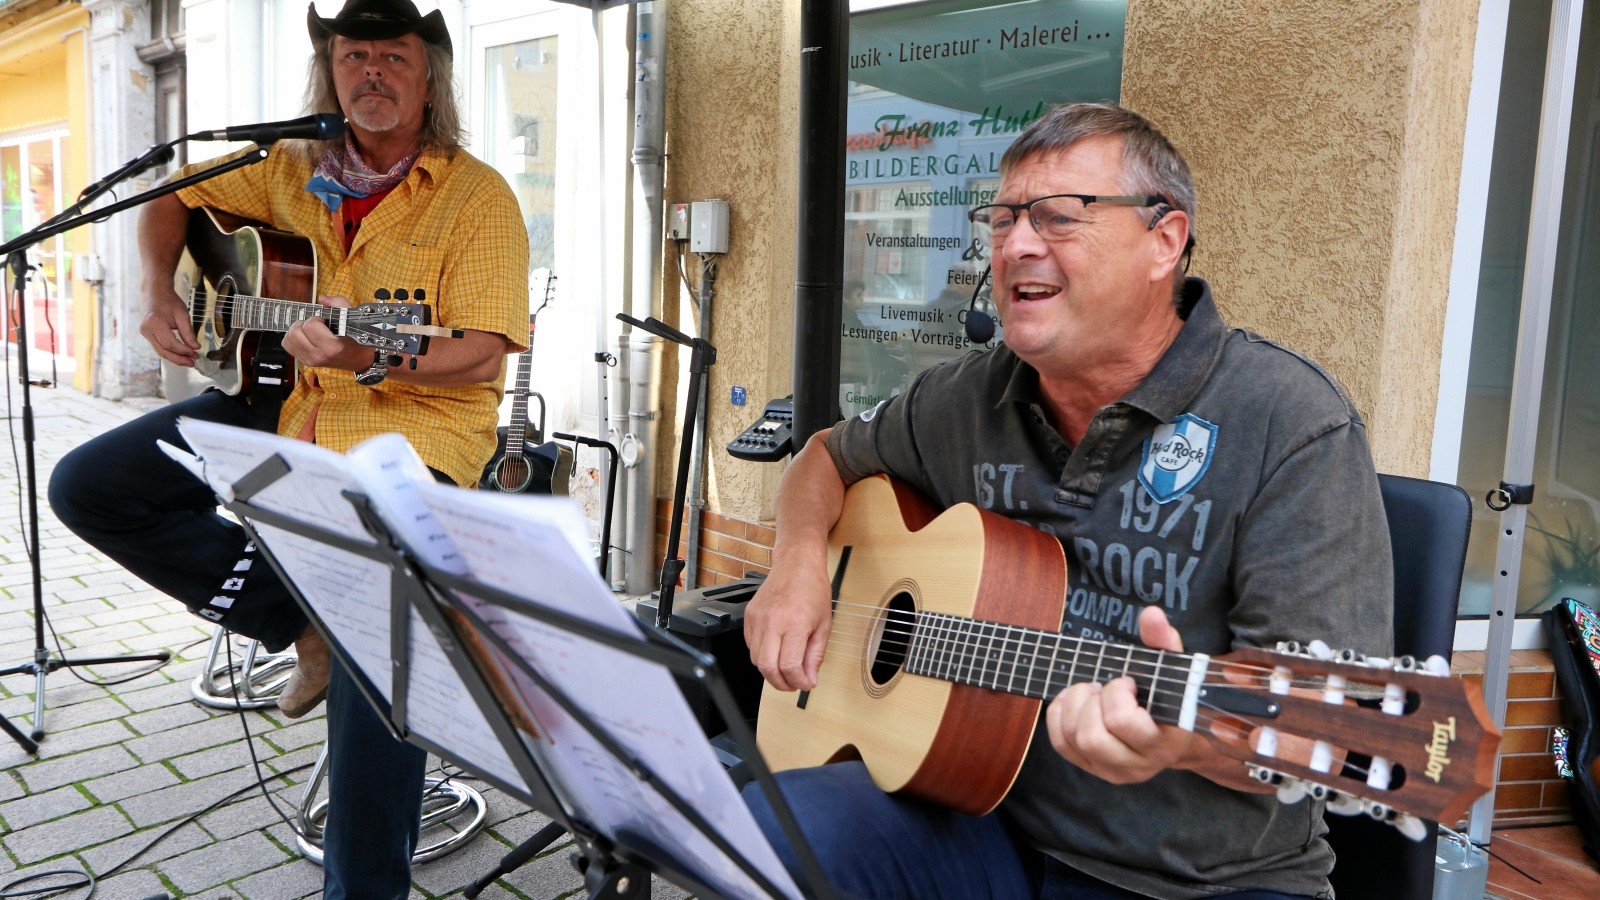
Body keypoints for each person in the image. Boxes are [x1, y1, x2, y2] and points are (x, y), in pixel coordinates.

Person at [743, 102, 1394, 899]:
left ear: (1165, 241)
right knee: (766, 832)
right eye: (1004, 217)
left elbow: (1337, 724)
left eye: (1059, 216)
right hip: (985, 824)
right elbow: (821, 457)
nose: (1017, 244)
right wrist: (799, 562)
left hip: (1205, 881)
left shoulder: (1291, 424)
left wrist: (1179, 742)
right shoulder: (964, 397)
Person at [48, 1, 528, 896]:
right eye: (355, 56)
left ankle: (364, 883)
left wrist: (366, 351)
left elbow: (483, 348)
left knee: (378, 627)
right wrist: (158, 291)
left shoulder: (477, 196)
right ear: (331, 71)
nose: (371, 73)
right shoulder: (288, 168)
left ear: (430, 80)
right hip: (281, 402)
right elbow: (172, 195)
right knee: (90, 484)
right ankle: (293, 619)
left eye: (394, 56)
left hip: (411, 430)